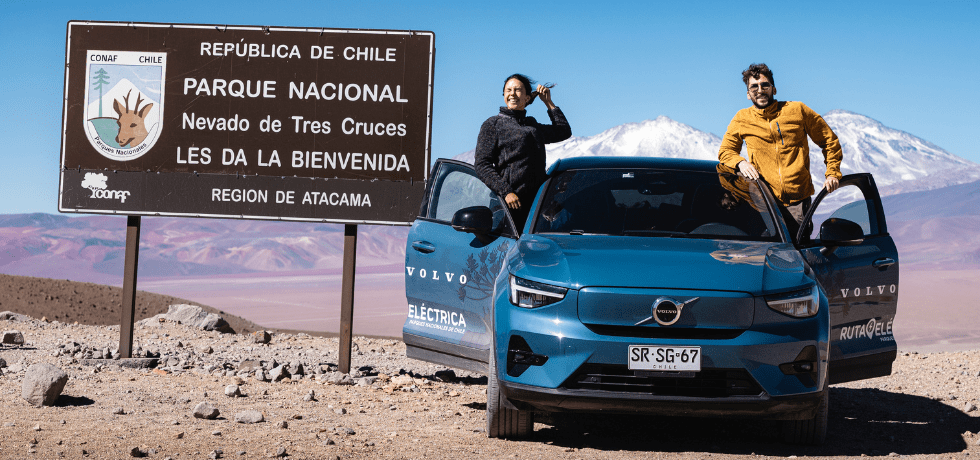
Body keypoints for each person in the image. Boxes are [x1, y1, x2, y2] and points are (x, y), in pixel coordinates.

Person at [718, 63, 843, 239]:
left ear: (774, 89)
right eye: (754, 86)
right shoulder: (741, 119)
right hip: (763, 203)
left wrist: (832, 173)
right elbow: (725, 151)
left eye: (765, 85)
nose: (760, 90)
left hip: (797, 203)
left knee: (796, 255)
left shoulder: (797, 110)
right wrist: (741, 162)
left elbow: (829, 140)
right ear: (748, 94)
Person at [474, 74, 572, 232]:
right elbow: (481, 165)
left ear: (527, 97)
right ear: (504, 95)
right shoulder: (493, 124)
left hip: (535, 206)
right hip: (506, 206)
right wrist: (506, 192)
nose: (512, 94)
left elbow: (563, 131)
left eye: (517, 90)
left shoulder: (532, 126)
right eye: (508, 90)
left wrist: (548, 102)